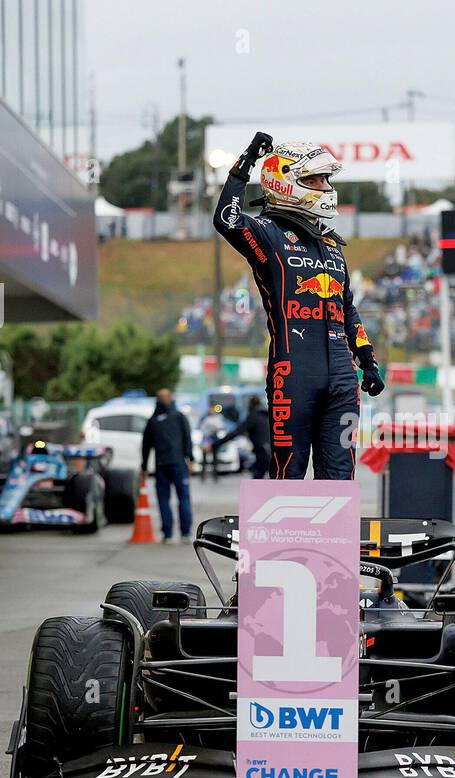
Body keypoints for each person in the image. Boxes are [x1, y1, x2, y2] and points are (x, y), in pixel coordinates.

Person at [213, 131, 384, 480]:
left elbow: (347, 309)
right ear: (286, 184)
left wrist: (368, 361)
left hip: (342, 377)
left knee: (340, 474)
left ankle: (336, 536)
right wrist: (245, 163)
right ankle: (282, 536)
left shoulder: (334, 246)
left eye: (325, 178)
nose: (324, 186)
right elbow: (226, 220)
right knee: (288, 473)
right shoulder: (268, 233)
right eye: (313, 178)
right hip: (293, 375)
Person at [141, 388, 195, 543]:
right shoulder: (178, 417)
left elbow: (146, 446)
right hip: (178, 463)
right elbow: (187, 438)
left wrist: (144, 467)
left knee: (163, 499)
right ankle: (185, 532)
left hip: (161, 465)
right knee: (183, 497)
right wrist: (190, 459)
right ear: (171, 399)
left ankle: (168, 533)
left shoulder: (153, 420)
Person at [212, 395, 270, 479]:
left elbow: (236, 432)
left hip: (263, 452)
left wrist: (216, 444)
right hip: (269, 450)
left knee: (257, 479)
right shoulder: (266, 416)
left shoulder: (253, 417)